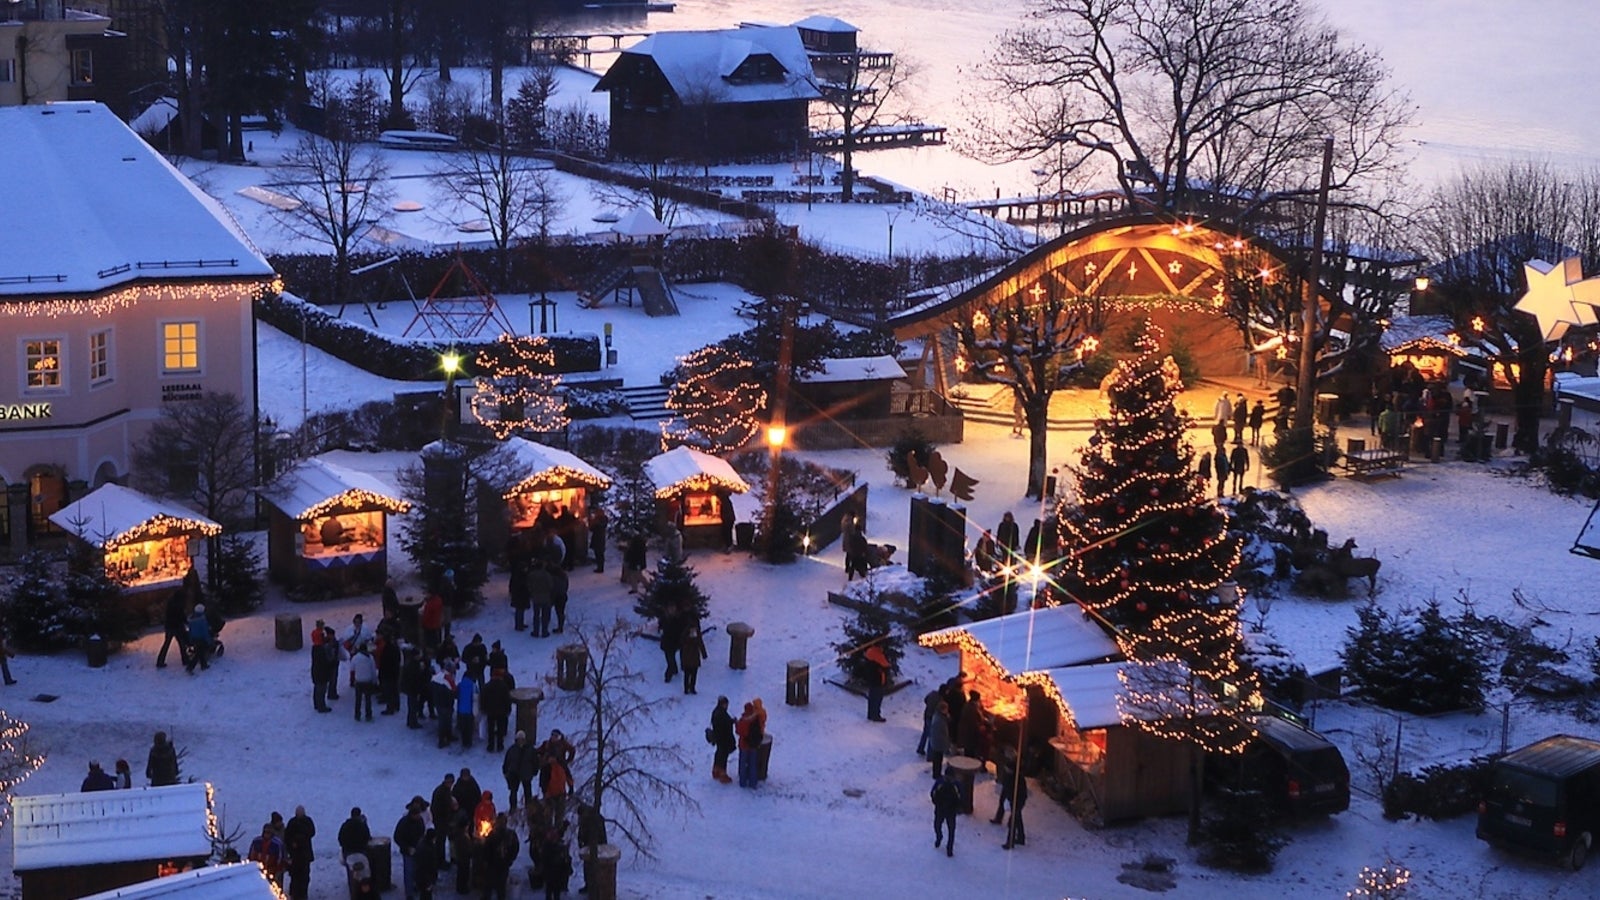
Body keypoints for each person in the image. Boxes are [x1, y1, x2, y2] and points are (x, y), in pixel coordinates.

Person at [393, 796, 429, 900]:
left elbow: (422, 832)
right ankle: (409, 894)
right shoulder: (404, 823)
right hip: (407, 851)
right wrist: (407, 847)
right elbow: (397, 837)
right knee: (408, 871)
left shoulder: (419, 821)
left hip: (417, 849)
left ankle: (415, 886)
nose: (418, 816)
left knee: (417, 870)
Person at [284, 805, 317, 900]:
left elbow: (312, 832)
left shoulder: (307, 821)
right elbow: (287, 836)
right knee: (295, 876)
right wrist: (292, 843)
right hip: (296, 855)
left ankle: (303, 894)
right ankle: (295, 893)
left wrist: (300, 838)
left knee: (304, 876)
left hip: (304, 854)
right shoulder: (292, 822)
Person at [931, 768, 962, 858]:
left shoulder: (956, 784)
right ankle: (939, 837)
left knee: (951, 830)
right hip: (941, 809)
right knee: (938, 826)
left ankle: (949, 848)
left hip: (950, 811)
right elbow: (932, 793)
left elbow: (961, 797)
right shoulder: (940, 782)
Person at [156, 587, 189, 669]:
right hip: (177, 626)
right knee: (182, 643)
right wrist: (186, 622)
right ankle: (185, 660)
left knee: (166, 644)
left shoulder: (171, 602)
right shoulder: (179, 604)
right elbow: (181, 615)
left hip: (169, 626)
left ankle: (160, 661)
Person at [503, 731, 536, 811]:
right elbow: (507, 761)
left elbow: (535, 761)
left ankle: (529, 808)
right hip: (514, 773)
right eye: (519, 739)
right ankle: (513, 808)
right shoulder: (512, 750)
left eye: (522, 739)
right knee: (513, 792)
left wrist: (534, 771)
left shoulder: (530, 749)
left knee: (527, 792)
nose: (520, 741)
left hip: (526, 773)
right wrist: (506, 772)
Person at [248, 821, 287, 888]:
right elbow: (251, 856)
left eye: (269, 832)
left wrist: (277, 870)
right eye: (265, 832)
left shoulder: (277, 844)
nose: (267, 834)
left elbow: (280, 859)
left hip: (272, 871)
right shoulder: (257, 841)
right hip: (258, 871)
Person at [709, 696, 736, 783]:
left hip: (718, 738)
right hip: (724, 738)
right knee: (723, 756)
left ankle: (715, 771)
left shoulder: (716, 712)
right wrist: (732, 721)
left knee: (718, 754)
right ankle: (722, 775)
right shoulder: (722, 713)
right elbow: (725, 724)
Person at [312, 626, 339, 713]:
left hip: (316, 672)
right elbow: (327, 661)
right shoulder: (321, 650)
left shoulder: (315, 648)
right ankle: (321, 707)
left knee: (317, 689)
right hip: (322, 673)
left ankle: (317, 704)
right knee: (321, 690)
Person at [735, 701, 762, 788]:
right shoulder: (756, 719)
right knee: (752, 764)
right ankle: (753, 782)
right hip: (753, 745)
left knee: (743, 764)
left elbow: (738, 731)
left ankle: (743, 782)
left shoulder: (743, 720)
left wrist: (736, 724)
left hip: (744, 745)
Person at [862, 640, 890, 722]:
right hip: (878, 680)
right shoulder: (878, 654)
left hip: (871, 678)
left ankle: (870, 714)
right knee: (877, 698)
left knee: (871, 698)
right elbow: (886, 665)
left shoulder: (869, 651)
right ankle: (876, 715)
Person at [350, 641, 378, 722]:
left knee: (358, 700)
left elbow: (352, 668)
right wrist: (374, 680)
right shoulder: (370, 657)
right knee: (368, 699)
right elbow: (373, 670)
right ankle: (368, 715)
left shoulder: (355, 657)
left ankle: (357, 715)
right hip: (368, 681)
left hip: (358, 681)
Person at [1001, 768, 1028, 850]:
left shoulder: (1014, 779)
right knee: (1018, 819)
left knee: (1013, 822)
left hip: (1017, 801)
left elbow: (1011, 790)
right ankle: (1021, 837)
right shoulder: (1016, 778)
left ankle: (1010, 842)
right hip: (1017, 801)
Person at [679, 622, 707, 695]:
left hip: (694, 658)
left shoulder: (697, 634)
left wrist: (704, 654)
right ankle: (686, 688)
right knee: (687, 675)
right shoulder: (685, 635)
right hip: (688, 658)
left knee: (694, 675)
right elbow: (682, 644)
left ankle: (692, 688)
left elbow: (701, 643)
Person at [925, 702, 952, 778]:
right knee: (937, 760)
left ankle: (936, 773)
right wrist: (946, 743)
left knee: (938, 759)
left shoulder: (939, 716)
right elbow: (941, 734)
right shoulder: (939, 720)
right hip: (938, 743)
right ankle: (936, 774)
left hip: (937, 742)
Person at [185, 603, 212, 673]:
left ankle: (204, 664)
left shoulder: (191, 620)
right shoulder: (202, 620)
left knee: (200, 652)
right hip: (201, 638)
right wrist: (209, 640)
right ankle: (190, 667)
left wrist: (190, 638)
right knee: (199, 653)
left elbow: (190, 630)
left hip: (194, 638)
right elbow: (205, 631)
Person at [590, 507, 609, 572]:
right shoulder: (596, 519)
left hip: (600, 538)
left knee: (600, 553)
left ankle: (601, 567)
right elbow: (591, 529)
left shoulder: (604, 519)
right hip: (596, 537)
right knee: (597, 553)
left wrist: (597, 522)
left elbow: (603, 525)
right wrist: (592, 522)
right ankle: (599, 566)